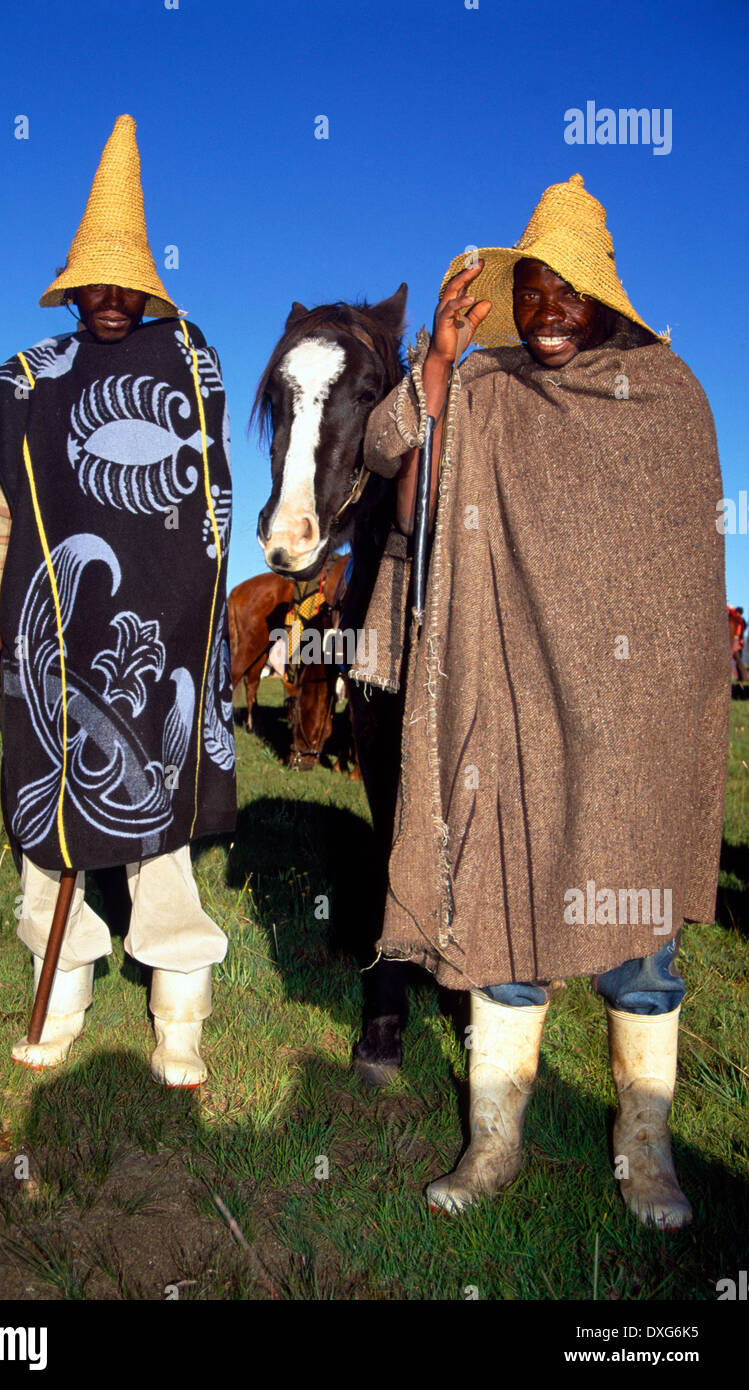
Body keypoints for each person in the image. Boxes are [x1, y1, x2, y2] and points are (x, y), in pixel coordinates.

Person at [360, 174, 730, 1229]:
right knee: (505, 919)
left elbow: (681, 576)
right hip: (513, 708)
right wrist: (436, 358)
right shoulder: (484, 390)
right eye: (533, 290)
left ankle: (645, 1152)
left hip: (630, 722)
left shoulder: (666, 395)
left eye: (569, 291)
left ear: (602, 297)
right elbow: (389, 451)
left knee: (636, 945)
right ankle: (493, 1145)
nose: (549, 309)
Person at [0, 115, 236, 1085]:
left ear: (148, 288)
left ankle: (179, 1007)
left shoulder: (189, 372)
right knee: (48, 824)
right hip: (50, 634)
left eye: (128, 283)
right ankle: (63, 989)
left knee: (160, 824)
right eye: (94, 284)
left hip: (162, 638)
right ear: (73, 288)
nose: (110, 300)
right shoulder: (28, 381)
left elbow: (211, 511)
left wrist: (199, 623)